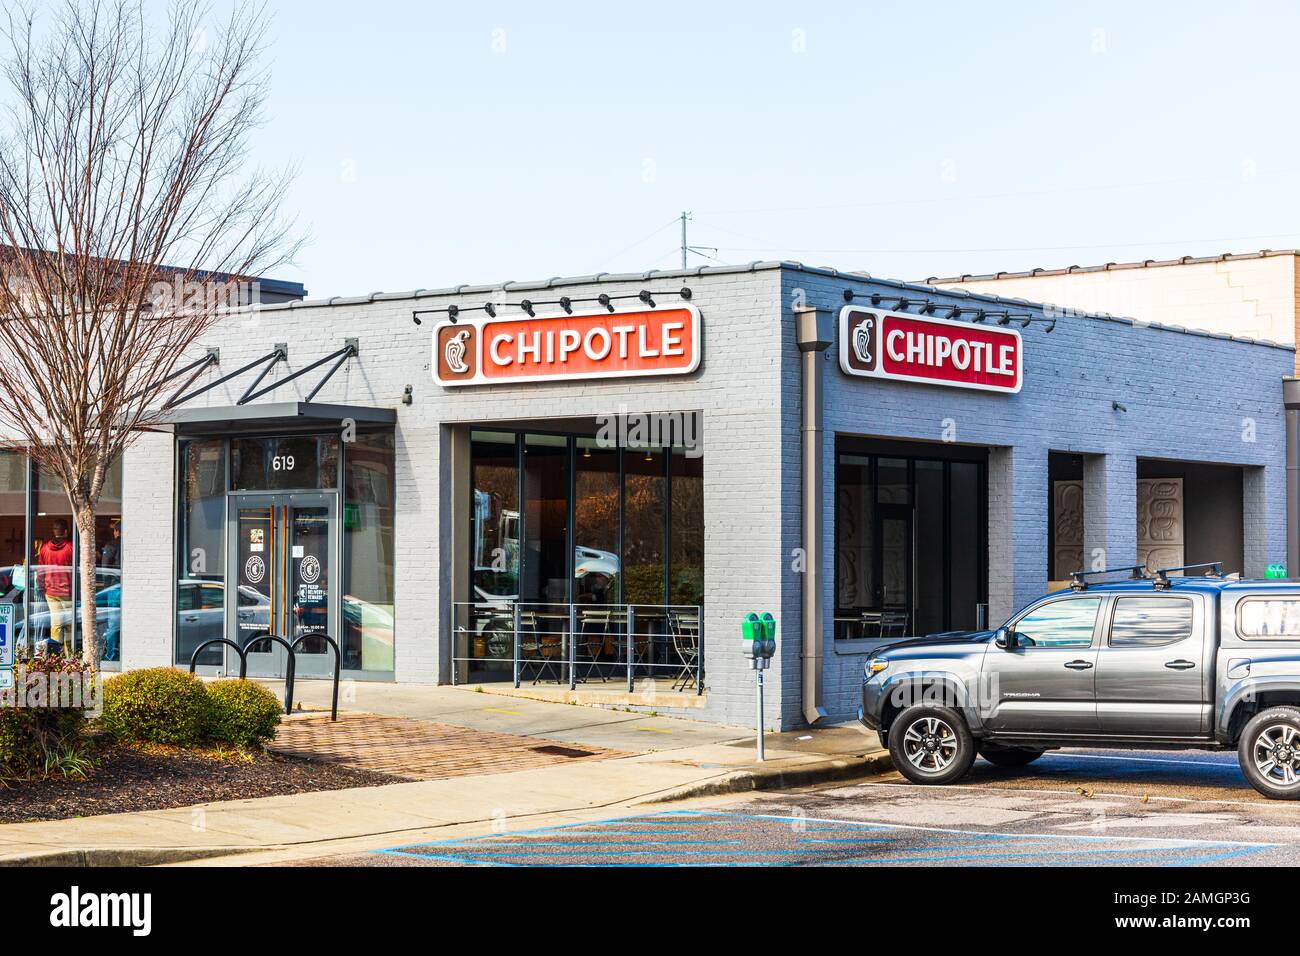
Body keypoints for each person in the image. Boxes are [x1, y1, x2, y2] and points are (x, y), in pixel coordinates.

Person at [37, 521, 73, 653]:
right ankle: (70, 657)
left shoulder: (45, 548)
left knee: (56, 625)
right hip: (68, 592)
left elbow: (40, 571)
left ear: (54, 531)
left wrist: (42, 587)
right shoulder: (71, 547)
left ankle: (56, 657)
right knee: (69, 625)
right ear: (66, 532)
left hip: (51, 592)